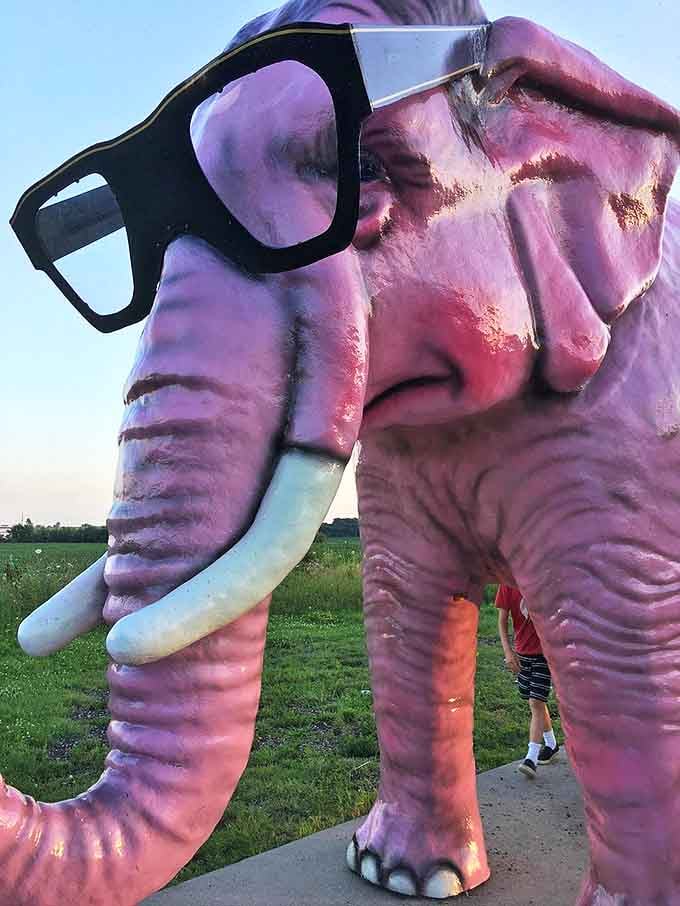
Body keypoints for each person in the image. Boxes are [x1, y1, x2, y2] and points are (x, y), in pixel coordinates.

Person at [495, 585, 560, 779]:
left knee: (536, 702)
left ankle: (530, 758)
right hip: (522, 654)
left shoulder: (542, 579)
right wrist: (508, 652)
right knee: (536, 703)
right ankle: (551, 744)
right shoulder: (506, 584)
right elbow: (501, 621)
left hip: (545, 654)